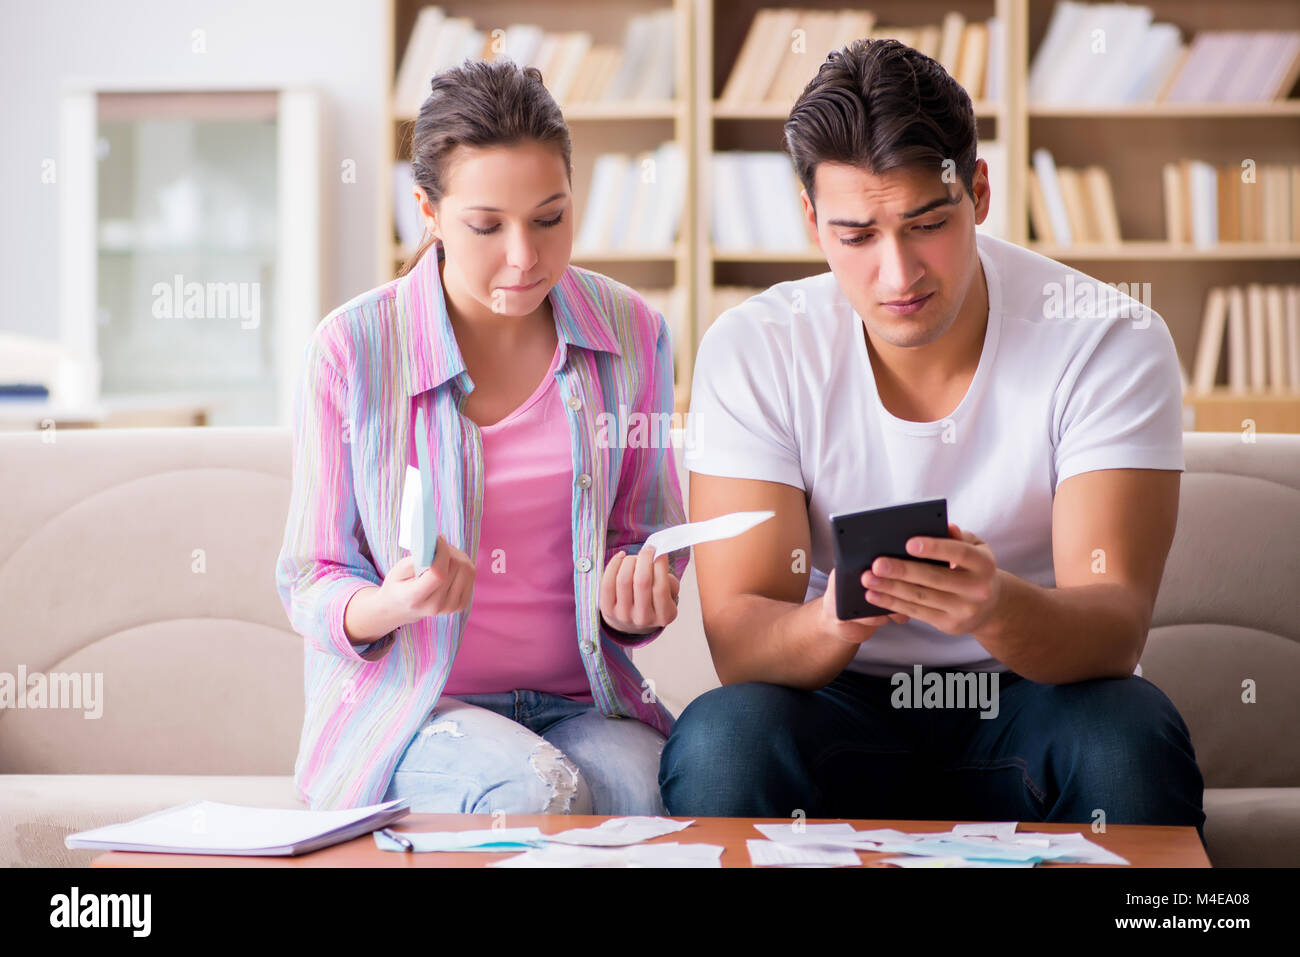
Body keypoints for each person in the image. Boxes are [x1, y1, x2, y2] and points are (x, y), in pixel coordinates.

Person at [661, 38, 1205, 840]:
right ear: (811, 221)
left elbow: (1114, 625)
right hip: (837, 698)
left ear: (977, 191)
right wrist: (838, 617)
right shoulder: (756, 348)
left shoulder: (1106, 339)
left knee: (1129, 740)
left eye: (927, 223)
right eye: (857, 236)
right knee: (722, 739)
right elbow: (743, 639)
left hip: (1030, 692)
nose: (898, 274)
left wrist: (995, 606)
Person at [275, 58, 687, 814]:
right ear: (426, 210)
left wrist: (637, 598)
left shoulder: (635, 334)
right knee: (536, 792)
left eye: (550, 217)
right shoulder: (352, 350)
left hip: (580, 700)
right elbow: (310, 579)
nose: (525, 257)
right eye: (486, 226)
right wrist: (391, 604)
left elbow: (646, 535)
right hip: (416, 709)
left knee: (654, 795)